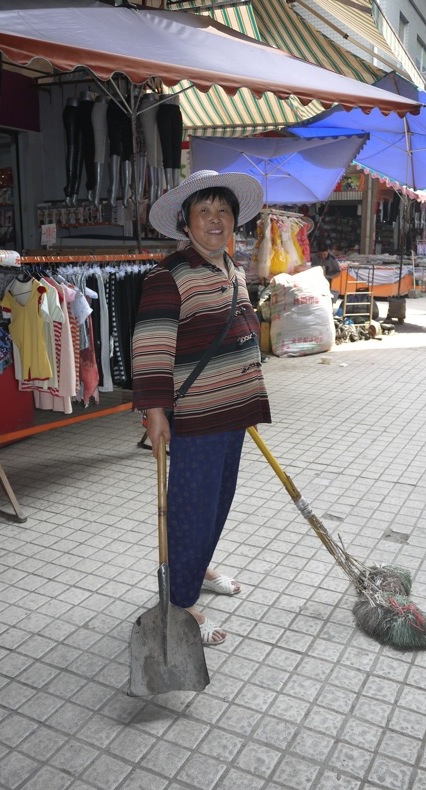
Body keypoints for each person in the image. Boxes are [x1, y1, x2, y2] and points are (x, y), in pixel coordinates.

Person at [132, 170, 270, 645]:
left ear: (234, 221)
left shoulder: (232, 270)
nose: (215, 219)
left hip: (232, 414)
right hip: (197, 418)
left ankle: (200, 564)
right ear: (186, 222)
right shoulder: (168, 275)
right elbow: (150, 348)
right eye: (204, 211)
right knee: (191, 507)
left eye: (223, 211)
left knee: (218, 501)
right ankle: (182, 600)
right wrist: (154, 413)